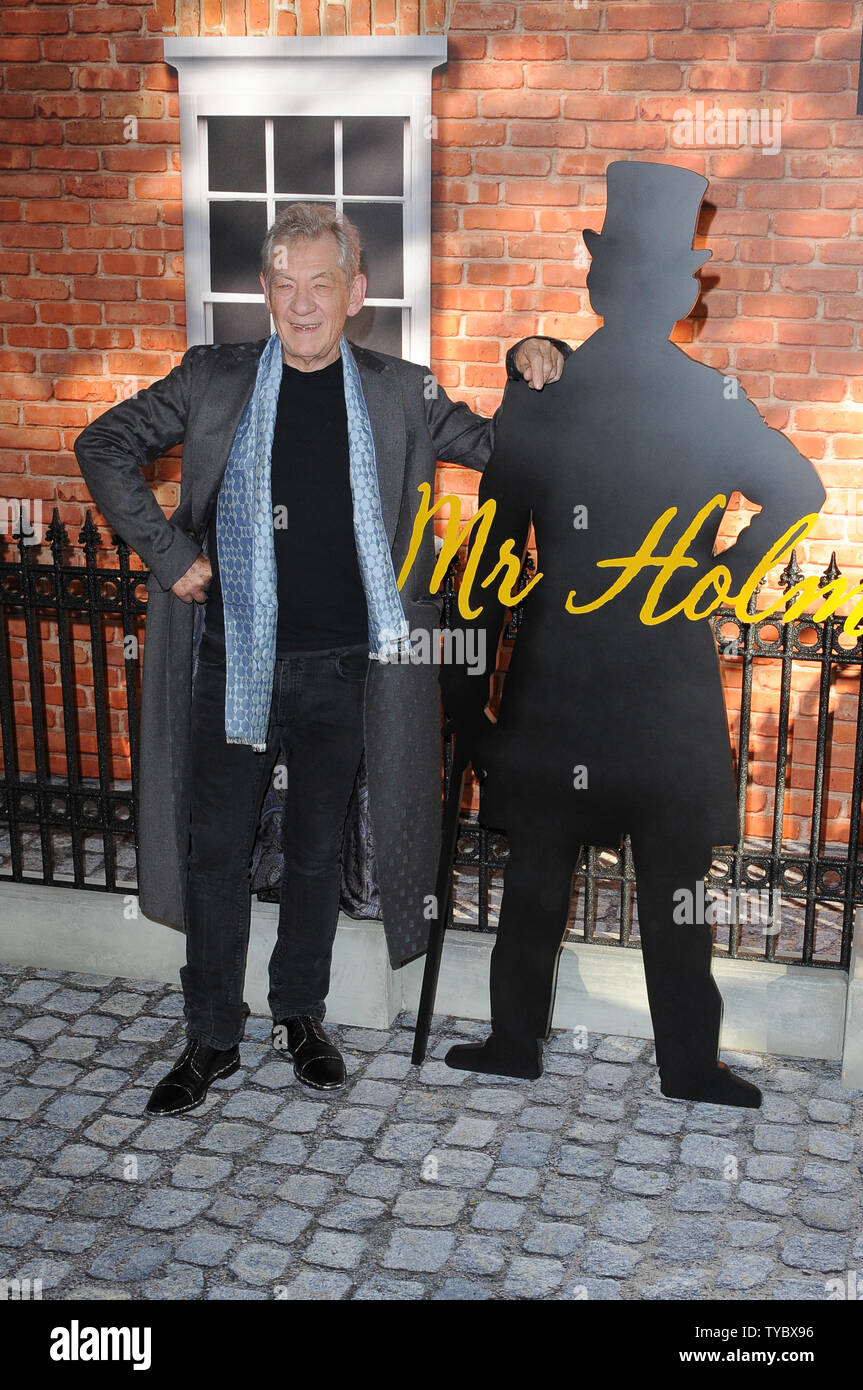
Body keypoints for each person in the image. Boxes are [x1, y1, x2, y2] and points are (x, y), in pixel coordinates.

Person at [74, 203, 565, 1112]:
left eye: (321, 284)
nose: (302, 305)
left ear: (356, 294)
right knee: (217, 851)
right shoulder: (212, 380)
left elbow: (506, 449)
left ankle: (299, 1013)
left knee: (312, 853)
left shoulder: (399, 391)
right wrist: (173, 556)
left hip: (346, 666)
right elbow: (101, 444)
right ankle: (213, 1033)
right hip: (233, 663)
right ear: (264, 292)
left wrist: (532, 357)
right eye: (284, 285)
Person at [439, 162, 826, 1108]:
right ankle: (682, 1063)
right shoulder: (693, 397)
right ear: (661, 292)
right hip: (650, 684)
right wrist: (720, 577)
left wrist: (466, 698)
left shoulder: (551, 393)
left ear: (601, 285)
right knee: (668, 891)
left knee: (543, 881)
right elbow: (799, 492)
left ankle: (518, 1043)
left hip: (577, 682)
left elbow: (487, 564)